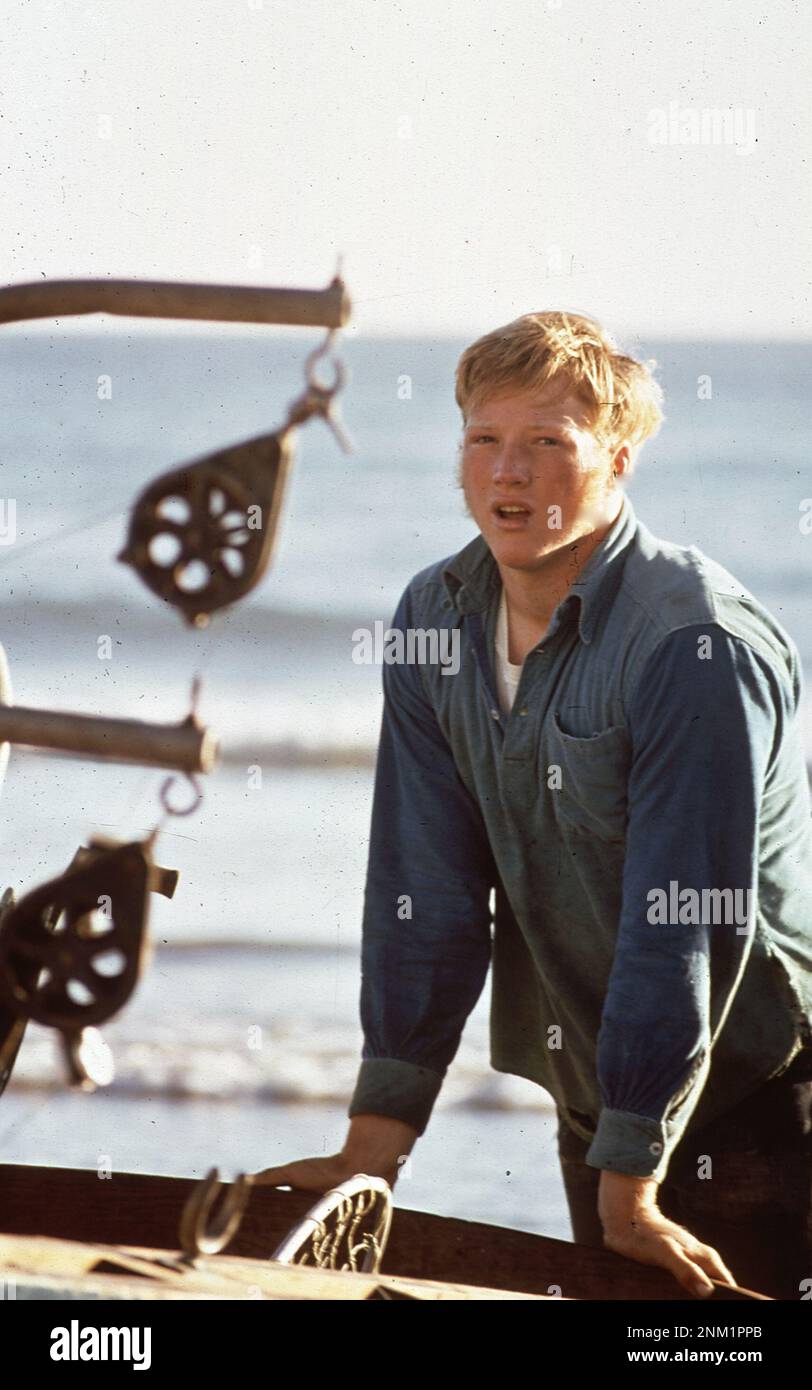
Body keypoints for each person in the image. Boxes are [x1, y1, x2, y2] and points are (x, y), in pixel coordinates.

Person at [253, 311, 812, 1300]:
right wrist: (371, 1147)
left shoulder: (691, 644)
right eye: (483, 440)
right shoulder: (435, 617)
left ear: (617, 460)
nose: (506, 473)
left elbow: (682, 924)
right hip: (595, 1085)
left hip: (758, 1089)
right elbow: (422, 886)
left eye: (547, 443)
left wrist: (632, 1179)